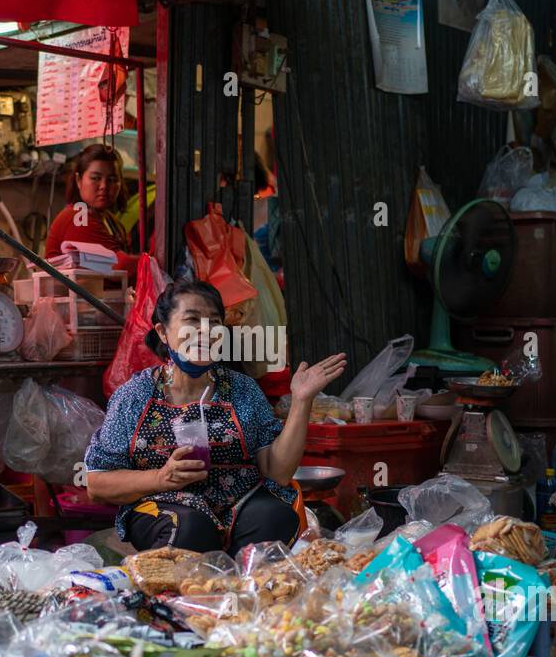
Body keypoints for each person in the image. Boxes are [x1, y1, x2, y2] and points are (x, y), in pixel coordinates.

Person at [84, 279, 346, 553]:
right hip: (162, 503)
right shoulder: (134, 396)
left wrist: (301, 402)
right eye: (192, 320)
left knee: (275, 517)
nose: (205, 331)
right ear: (163, 331)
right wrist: (162, 478)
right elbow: (97, 482)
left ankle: (247, 592)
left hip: (239, 501)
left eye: (214, 321)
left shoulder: (242, 389)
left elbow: (277, 472)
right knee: (188, 528)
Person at [45, 144, 140, 279]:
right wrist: (155, 260)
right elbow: (120, 266)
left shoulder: (112, 221)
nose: (104, 186)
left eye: (112, 180)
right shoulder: (78, 216)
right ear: (79, 180)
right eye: (95, 178)